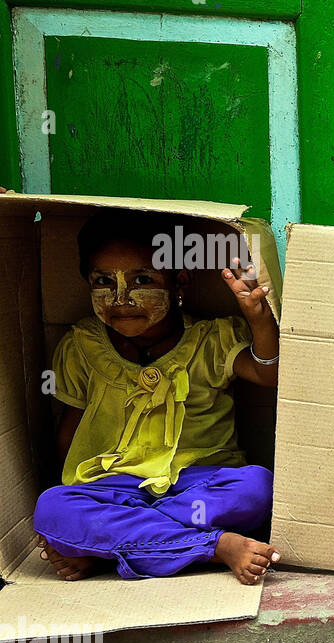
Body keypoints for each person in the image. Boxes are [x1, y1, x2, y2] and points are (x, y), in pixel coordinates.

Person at [32, 210, 281, 585]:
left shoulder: (212, 339)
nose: (121, 298)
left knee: (257, 487)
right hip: (114, 488)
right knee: (53, 508)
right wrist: (68, 499)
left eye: (142, 280)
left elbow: (268, 372)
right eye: (103, 281)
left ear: (178, 282)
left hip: (198, 486)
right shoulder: (82, 345)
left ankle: (110, 548)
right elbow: (71, 428)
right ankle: (213, 546)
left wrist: (259, 318)